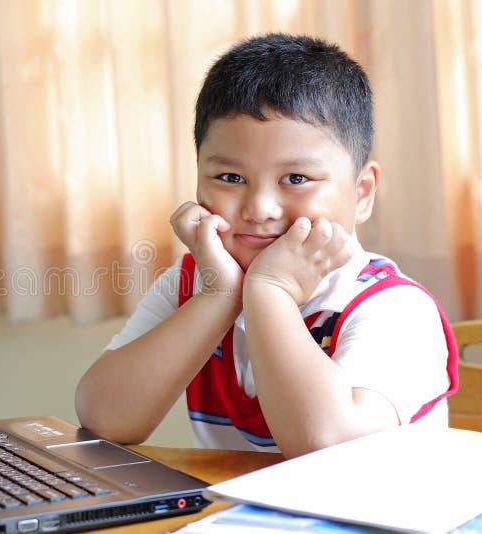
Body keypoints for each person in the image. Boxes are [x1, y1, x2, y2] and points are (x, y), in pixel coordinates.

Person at [74, 33, 458, 459]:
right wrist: (221, 296)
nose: (259, 209)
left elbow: (326, 451)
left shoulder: (395, 309)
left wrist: (269, 291)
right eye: (231, 178)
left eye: (295, 179)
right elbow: (105, 418)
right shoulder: (197, 285)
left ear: (362, 193)